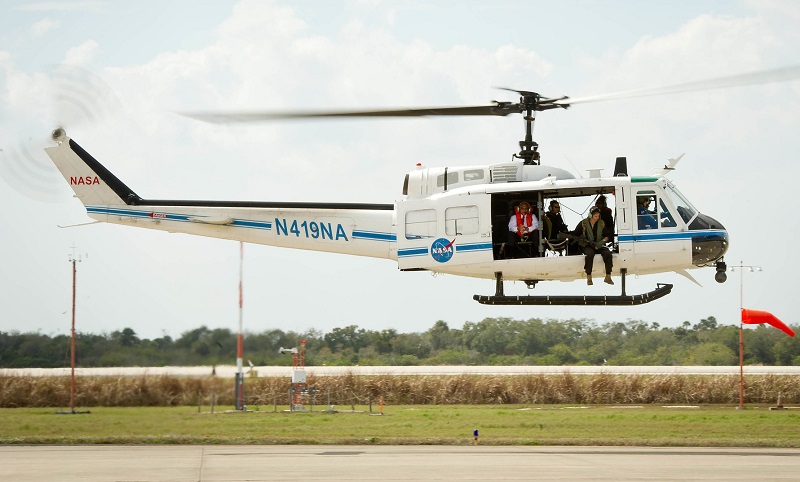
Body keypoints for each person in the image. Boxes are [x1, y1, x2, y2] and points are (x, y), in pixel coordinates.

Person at [578, 206, 613, 285]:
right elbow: (576, 233)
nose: (597, 217)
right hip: (588, 246)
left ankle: (608, 276)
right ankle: (589, 276)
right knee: (589, 254)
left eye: (598, 215)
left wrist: (602, 241)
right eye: (595, 215)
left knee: (607, 253)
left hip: (599, 245)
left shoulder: (601, 223)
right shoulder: (583, 223)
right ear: (591, 215)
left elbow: (608, 235)